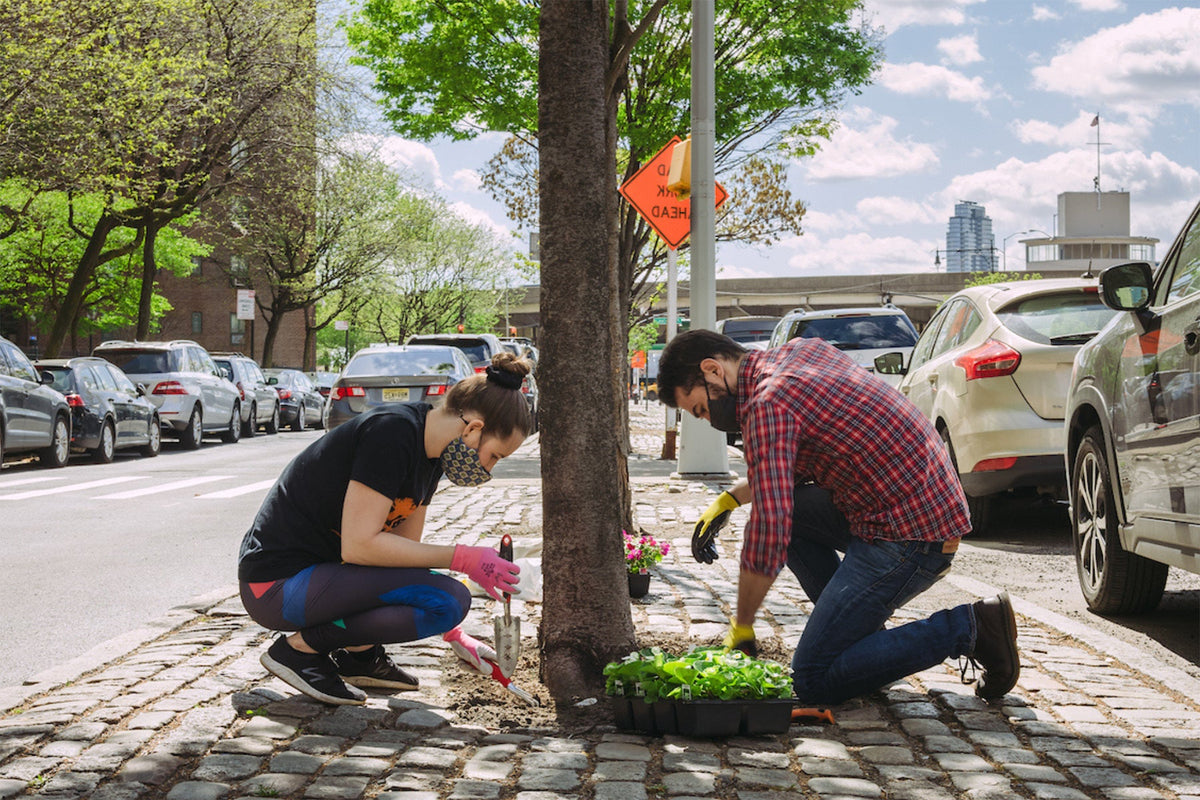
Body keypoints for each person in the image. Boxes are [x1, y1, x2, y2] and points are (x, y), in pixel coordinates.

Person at [656, 329, 1019, 705]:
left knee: (813, 679)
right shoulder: (801, 353)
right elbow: (783, 467)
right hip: (915, 507)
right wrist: (729, 500)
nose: (708, 419)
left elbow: (770, 526)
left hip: (911, 537)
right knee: (796, 513)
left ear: (713, 371)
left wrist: (743, 624)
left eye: (700, 408)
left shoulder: (767, 403)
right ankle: (865, 646)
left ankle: (971, 627)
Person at [237, 352, 532, 705]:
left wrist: (453, 634)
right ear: (473, 429)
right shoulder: (391, 434)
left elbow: (402, 562)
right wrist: (464, 559)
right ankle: (299, 652)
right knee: (452, 598)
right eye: (495, 456)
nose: (489, 469)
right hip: (275, 588)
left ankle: (359, 657)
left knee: (446, 604)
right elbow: (359, 547)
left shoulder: (432, 459)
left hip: (322, 581)